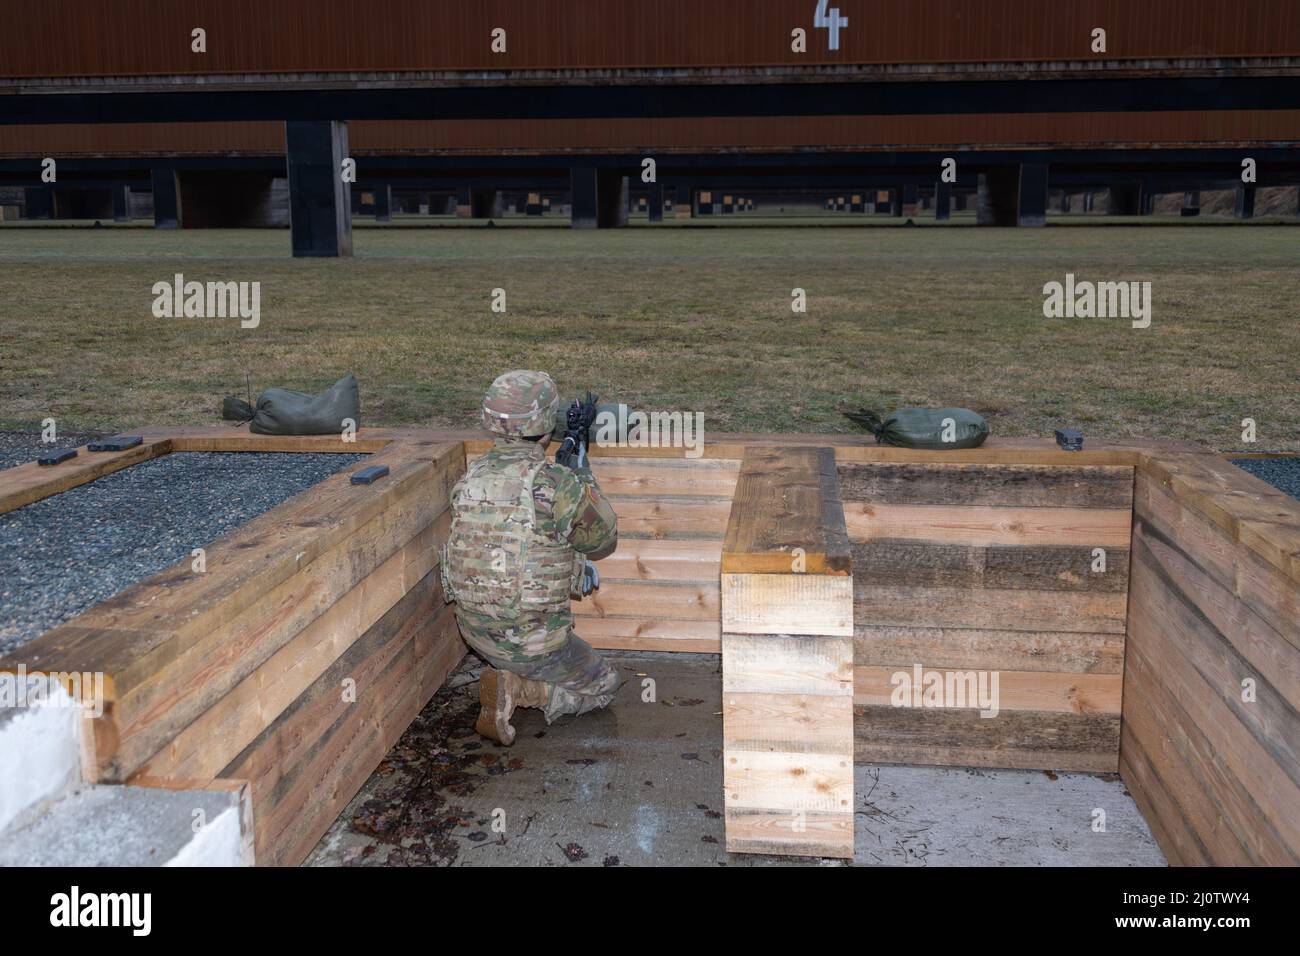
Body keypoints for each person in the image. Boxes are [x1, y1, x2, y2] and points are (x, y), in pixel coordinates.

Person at [442, 370, 621, 745]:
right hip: (532, 646)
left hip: (475, 634)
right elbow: (603, 540)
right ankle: (520, 690)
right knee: (605, 685)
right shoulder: (555, 483)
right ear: (546, 423)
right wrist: (582, 474)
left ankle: (508, 675)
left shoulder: (470, 477)